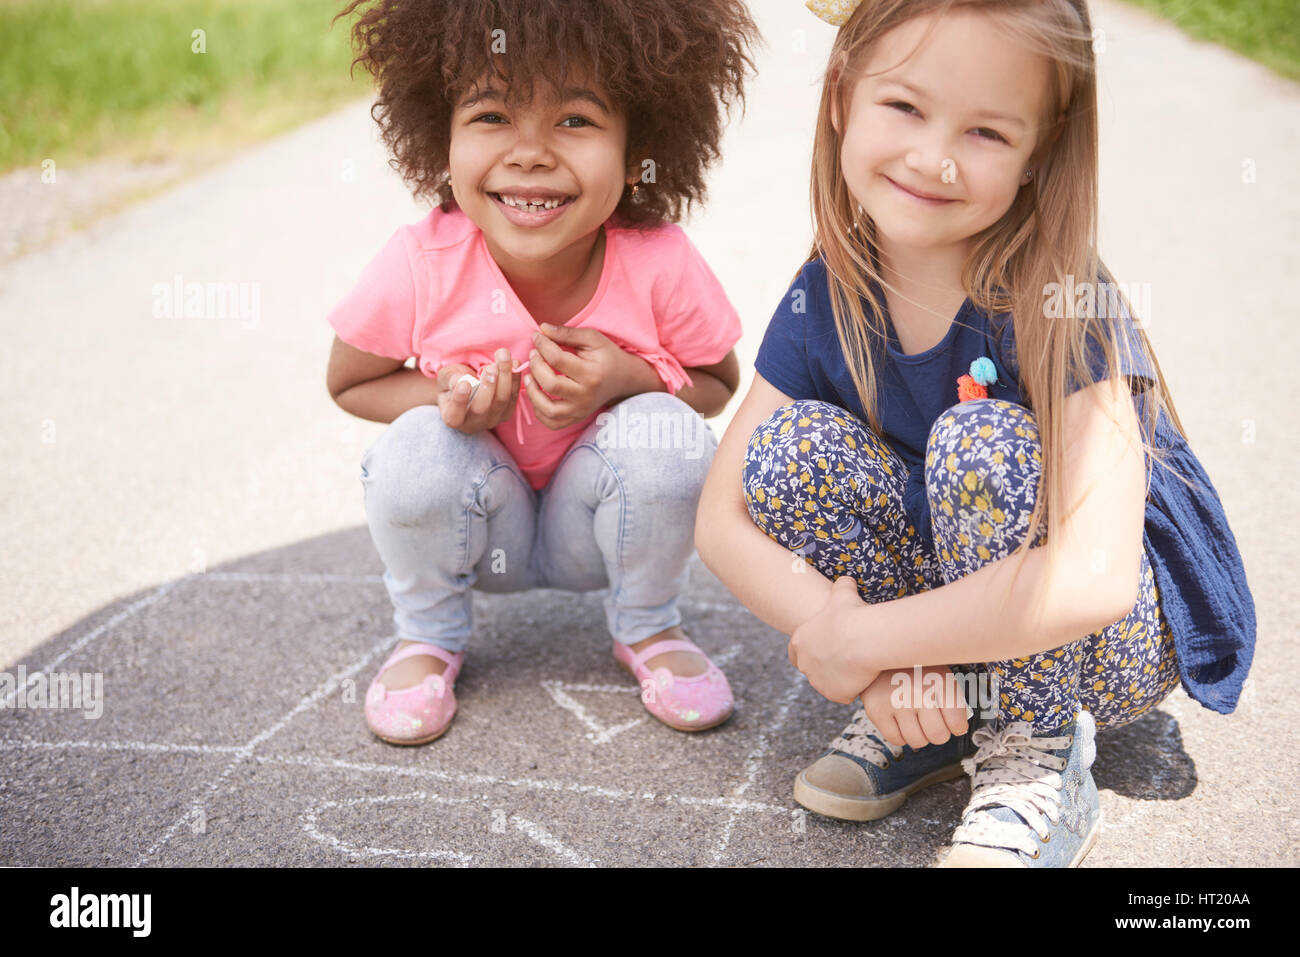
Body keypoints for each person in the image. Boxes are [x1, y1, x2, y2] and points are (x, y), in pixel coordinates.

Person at [695, 0, 1255, 867]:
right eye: (905, 107)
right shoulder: (827, 290)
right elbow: (721, 517)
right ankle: (939, 712)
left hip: (1107, 640)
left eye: (988, 132)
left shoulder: (1066, 301)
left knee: (979, 444)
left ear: (1041, 153)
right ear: (842, 96)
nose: (934, 157)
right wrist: (869, 659)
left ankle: (1035, 753)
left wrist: (868, 638)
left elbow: (1094, 579)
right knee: (789, 451)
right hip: (956, 613)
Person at [324, 0, 758, 745]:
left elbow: (716, 384)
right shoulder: (422, 261)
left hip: (593, 521)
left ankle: (648, 627)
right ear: (441, 132)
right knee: (415, 447)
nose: (529, 153)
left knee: (673, 437)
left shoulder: (656, 261)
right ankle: (428, 637)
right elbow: (350, 381)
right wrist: (446, 396)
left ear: (640, 144)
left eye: (576, 120)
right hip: (477, 514)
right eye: (491, 115)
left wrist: (629, 377)